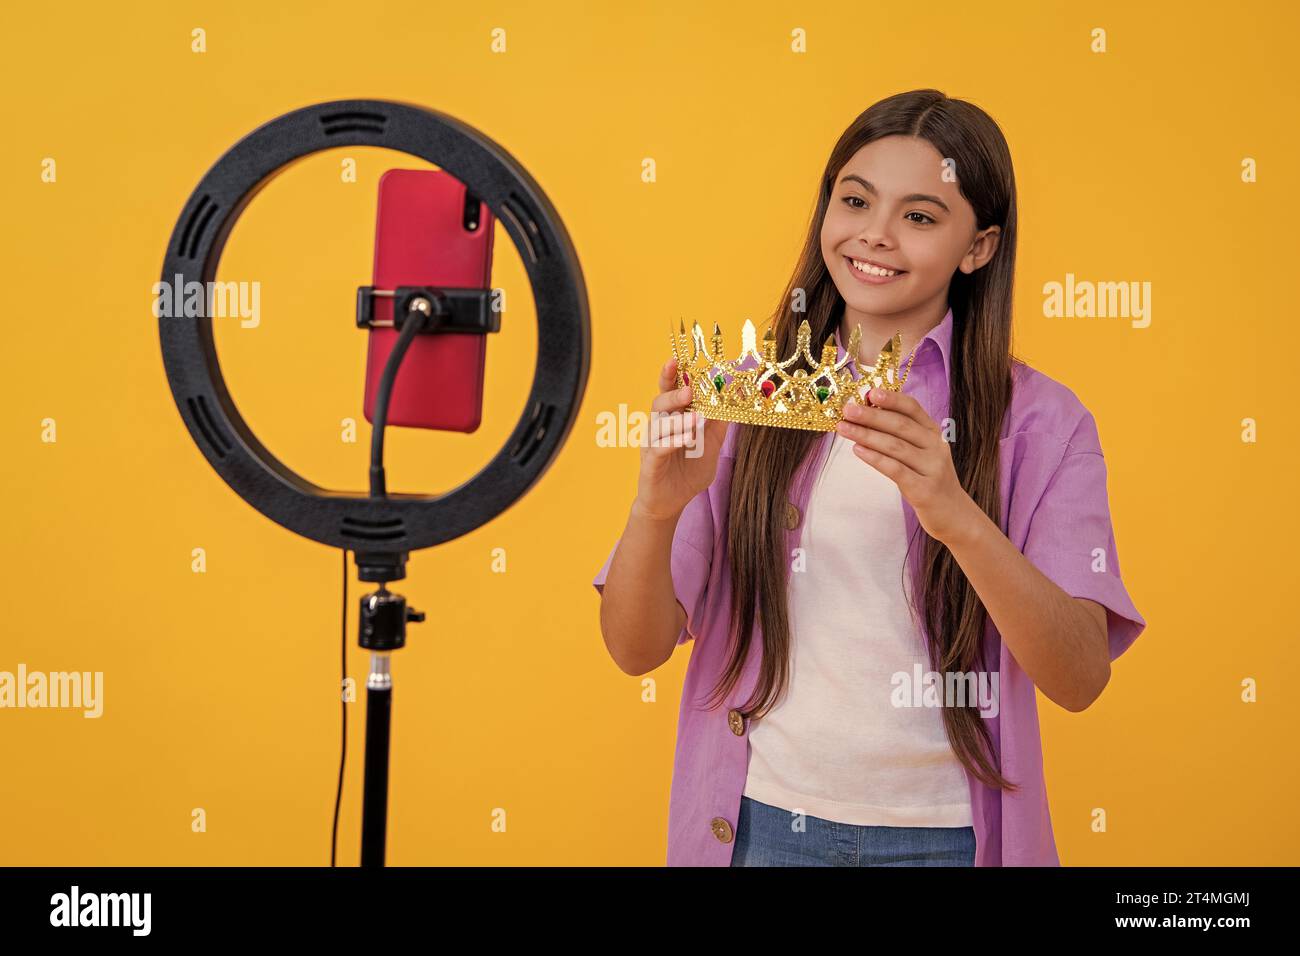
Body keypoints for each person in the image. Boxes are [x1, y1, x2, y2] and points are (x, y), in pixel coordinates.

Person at [592, 89, 1146, 866]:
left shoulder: (1045, 425)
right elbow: (634, 647)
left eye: (920, 217)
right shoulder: (749, 400)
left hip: (951, 838)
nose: (875, 235)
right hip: (760, 826)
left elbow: (1080, 674)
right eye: (855, 200)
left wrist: (953, 513)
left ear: (978, 247)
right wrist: (655, 511)